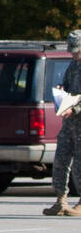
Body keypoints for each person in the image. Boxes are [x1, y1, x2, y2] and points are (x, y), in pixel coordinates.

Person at [44, 30, 81, 216]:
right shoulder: (74, 65)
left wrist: (73, 109)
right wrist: (61, 91)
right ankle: (61, 200)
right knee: (61, 158)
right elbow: (67, 85)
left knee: (80, 163)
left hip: (78, 118)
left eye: (77, 50)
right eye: (73, 51)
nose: (74, 54)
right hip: (70, 123)